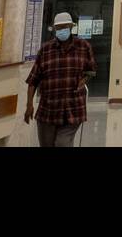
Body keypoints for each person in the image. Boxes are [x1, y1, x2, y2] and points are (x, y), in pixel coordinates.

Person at [25, 12, 96, 147]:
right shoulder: (46, 50)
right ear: (54, 29)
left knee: (62, 144)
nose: (62, 30)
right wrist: (29, 105)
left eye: (64, 27)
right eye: (58, 28)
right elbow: (33, 80)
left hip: (73, 107)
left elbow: (91, 70)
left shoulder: (83, 47)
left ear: (70, 27)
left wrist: (84, 80)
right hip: (49, 109)